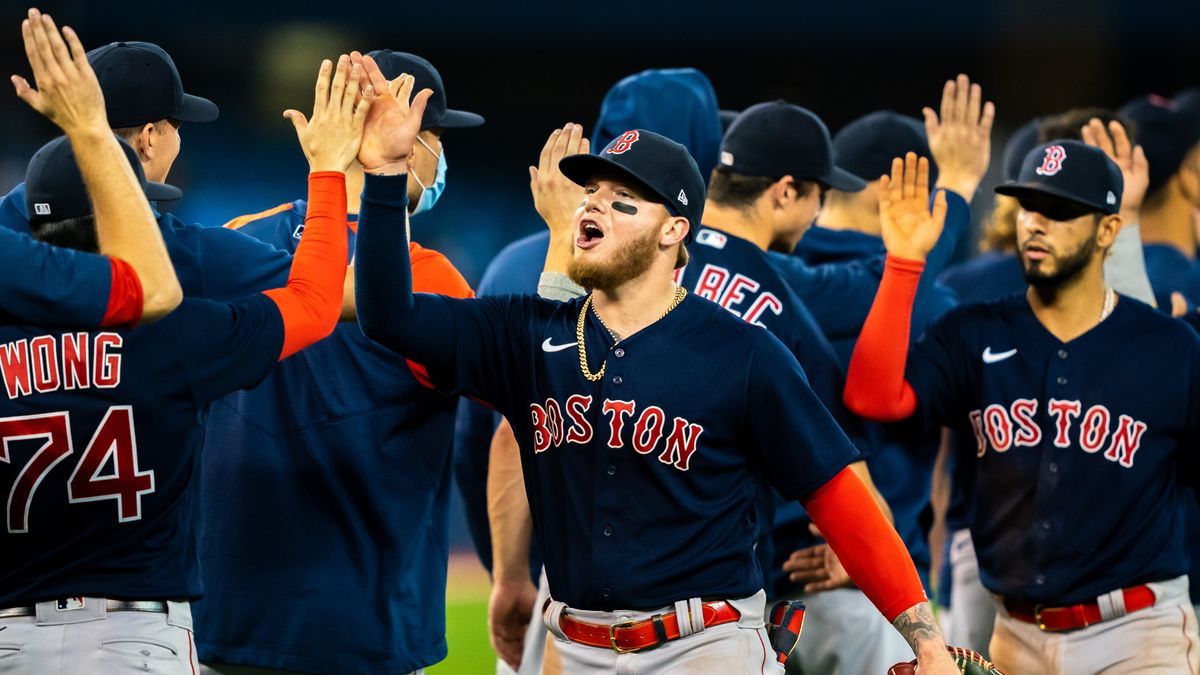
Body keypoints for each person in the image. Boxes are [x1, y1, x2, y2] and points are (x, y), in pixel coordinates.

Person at [354, 71, 959, 673]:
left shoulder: (743, 353)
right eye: (591, 193)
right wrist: (383, 176)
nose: (593, 205)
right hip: (575, 646)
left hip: (707, 646)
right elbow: (388, 317)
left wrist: (925, 640)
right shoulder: (524, 333)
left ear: (674, 230)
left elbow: (836, 495)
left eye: (624, 200)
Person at [0, 13, 365, 674]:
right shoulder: (179, 301)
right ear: (147, 138)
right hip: (133, 629)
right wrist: (331, 173)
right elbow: (323, 299)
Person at [844, 143, 1200, 674]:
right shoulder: (972, 331)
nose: (1036, 223)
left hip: (1137, 632)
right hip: (1015, 632)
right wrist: (903, 261)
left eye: (1059, 211)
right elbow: (872, 397)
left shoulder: (1169, 346)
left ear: (1107, 231)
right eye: (1029, 206)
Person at [194, 50, 477, 675]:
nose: (436, 155)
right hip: (363, 626)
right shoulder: (431, 277)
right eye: (433, 137)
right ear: (404, 135)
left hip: (228, 614)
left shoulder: (238, 237)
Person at [467, 68, 725, 675]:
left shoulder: (511, 266)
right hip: (708, 618)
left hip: (563, 601)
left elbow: (483, 440)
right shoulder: (730, 273)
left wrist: (510, 574)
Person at [1, 9, 180, 328]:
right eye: (177, 126)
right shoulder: (194, 250)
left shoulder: (12, 213)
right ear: (148, 137)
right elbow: (152, 292)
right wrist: (89, 128)